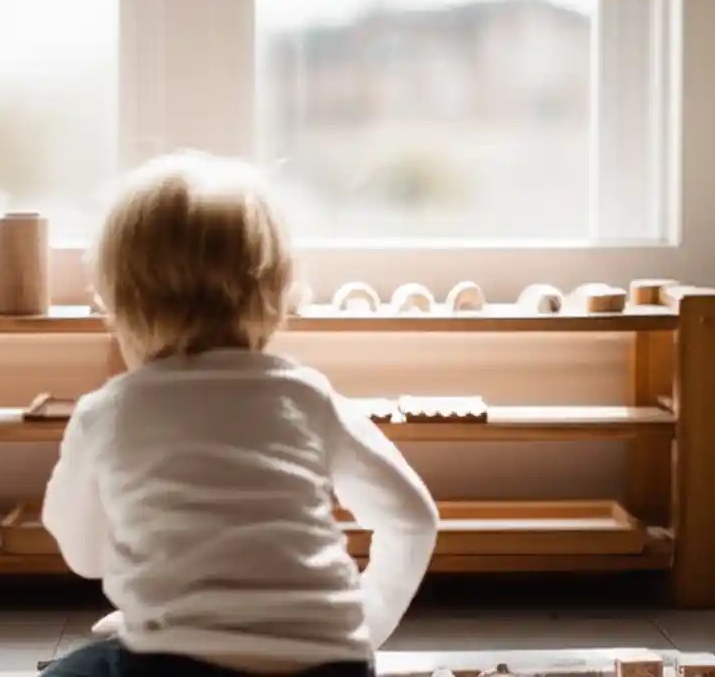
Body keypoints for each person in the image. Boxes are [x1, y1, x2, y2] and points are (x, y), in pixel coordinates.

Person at [41, 152, 439, 677]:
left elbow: (87, 557)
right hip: (328, 666)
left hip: (175, 668)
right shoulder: (304, 397)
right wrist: (367, 623)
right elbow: (412, 519)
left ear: (119, 304)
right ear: (276, 294)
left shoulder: (108, 414)